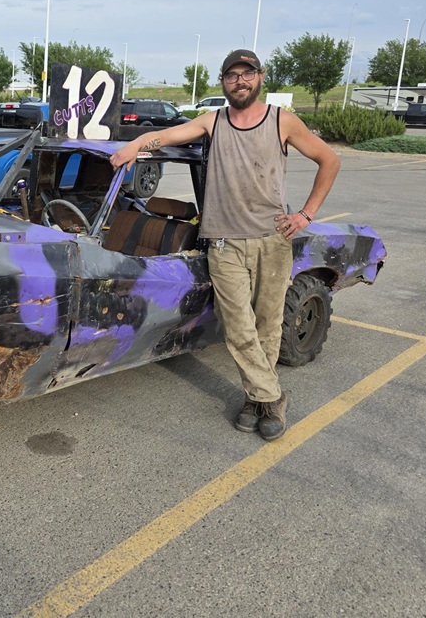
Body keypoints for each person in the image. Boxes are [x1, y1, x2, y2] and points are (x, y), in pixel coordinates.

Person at [110, 49, 340, 441]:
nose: (240, 81)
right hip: (224, 243)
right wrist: (136, 145)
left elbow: (329, 160)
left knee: (268, 325)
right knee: (238, 328)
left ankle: (257, 402)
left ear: (260, 78)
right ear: (223, 82)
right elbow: (165, 135)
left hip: (272, 240)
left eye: (246, 74)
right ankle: (273, 397)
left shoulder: (282, 121)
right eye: (232, 75)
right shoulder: (212, 121)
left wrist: (305, 214)